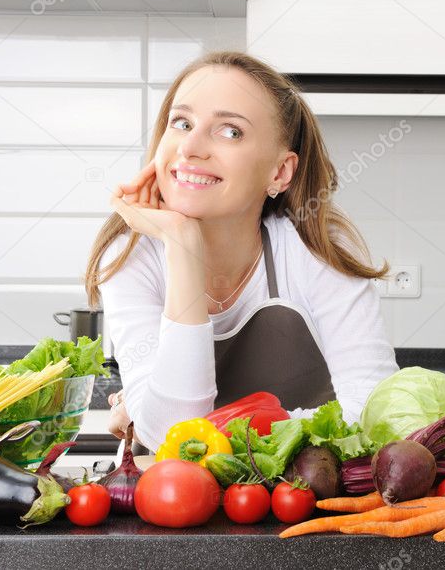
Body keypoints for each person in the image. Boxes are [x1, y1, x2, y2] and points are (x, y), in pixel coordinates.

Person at [84, 51, 399, 454]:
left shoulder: (315, 250)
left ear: (279, 172)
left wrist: (205, 427)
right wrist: (182, 246)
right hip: (174, 506)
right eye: (182, 123)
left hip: (305, 502)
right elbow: (171, 440)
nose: (190, 147)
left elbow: (378, 413)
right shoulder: (131, 256)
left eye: (230, 131)